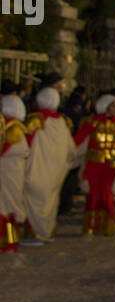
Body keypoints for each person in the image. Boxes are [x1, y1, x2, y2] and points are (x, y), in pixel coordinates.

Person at [21, 87, 77, 243]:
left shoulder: (36, 120)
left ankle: (35, 234)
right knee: (51, 202)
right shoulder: (63, 122)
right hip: (55, 172)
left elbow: (26, 144)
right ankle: (48, 232)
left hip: (37, 170)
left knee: (33, 201)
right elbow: (71, 150)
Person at [76, 94, 115, 234]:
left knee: (106, 193)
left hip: (112, 165)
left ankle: (107, 226)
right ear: (106, 107)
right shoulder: (92, 122)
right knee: (93, 193)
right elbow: (79, 138)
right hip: (94, 164)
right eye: (114, 105)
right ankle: (91, 226)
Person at [0, 94, 29, 252]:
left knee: (5, 205)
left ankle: (7, 242)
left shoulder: (12, 128)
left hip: (8, 171)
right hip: (11, 170)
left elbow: (3, 149)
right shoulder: (13, 126)